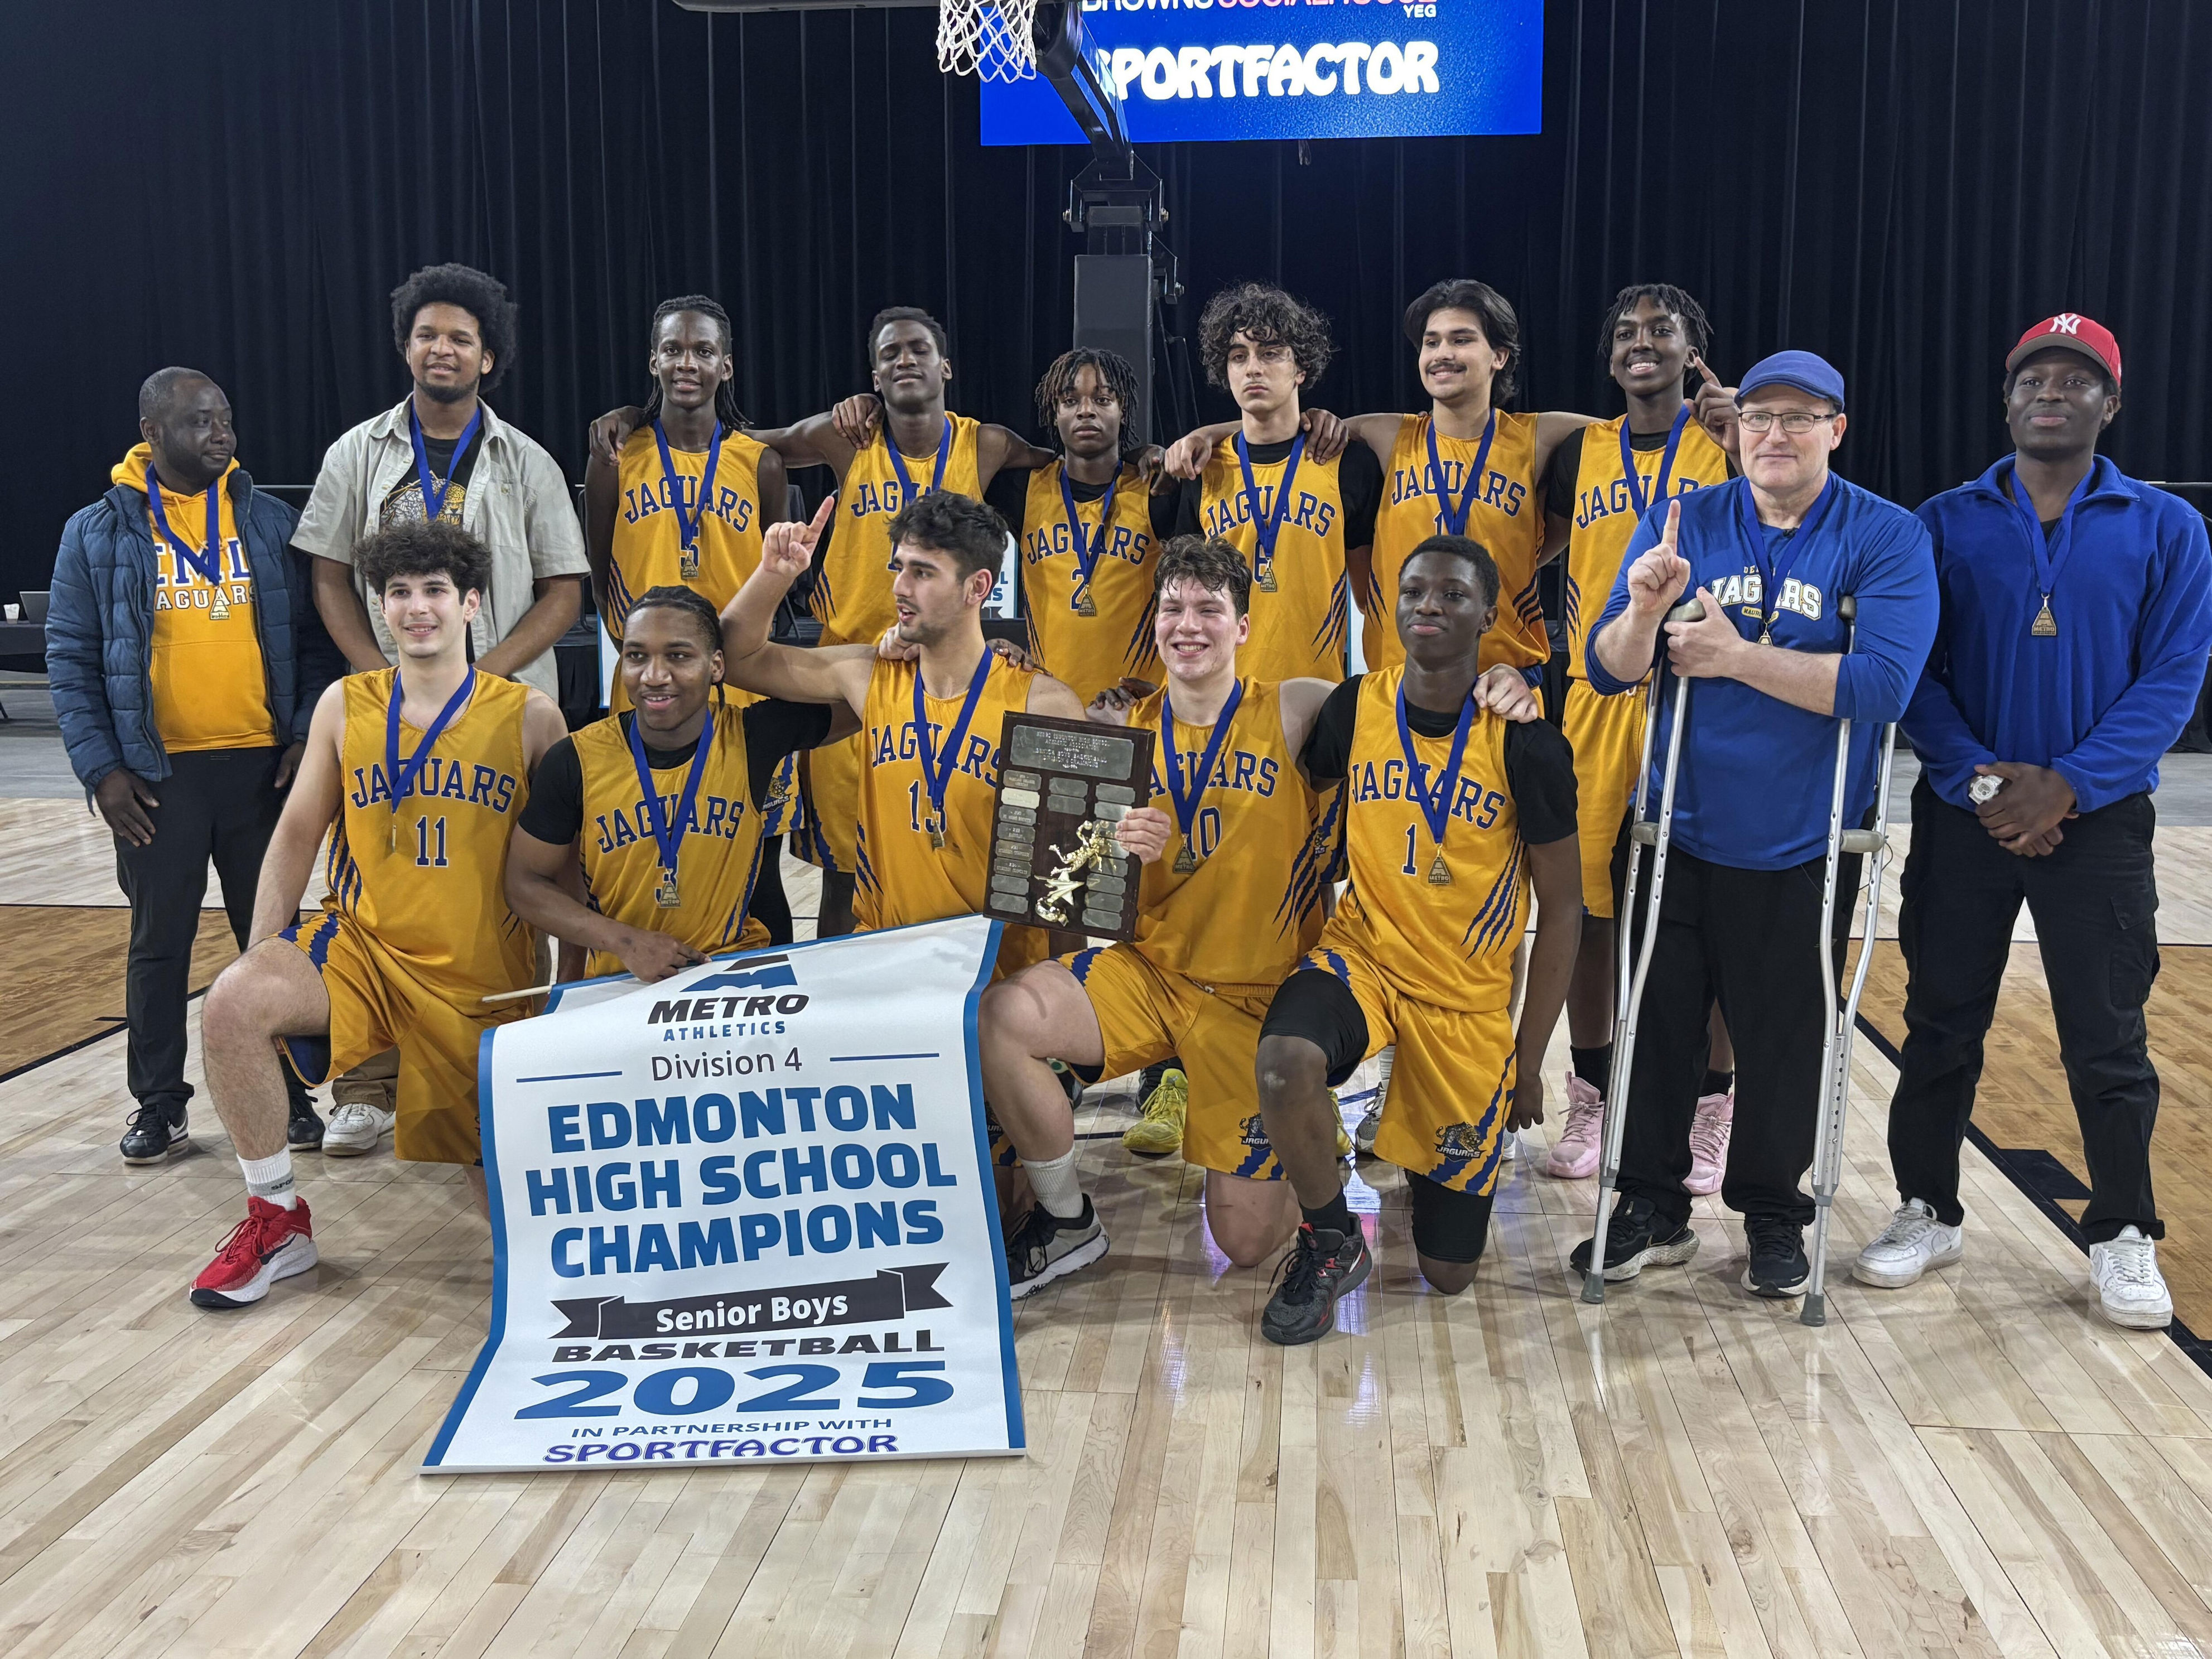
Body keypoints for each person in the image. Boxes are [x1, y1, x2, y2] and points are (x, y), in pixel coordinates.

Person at [1852, 314, 2212, 1329]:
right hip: (1967, 813)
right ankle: (1928, 1204)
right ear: (2007, 399)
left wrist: (2069, 785)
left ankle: (2124, 1230)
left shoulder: (2166, 527)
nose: (2051, 392)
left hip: (2097, 821)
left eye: (2076, 378)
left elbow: (2173, 678)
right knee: (1941, 1018)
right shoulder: (1939, 521)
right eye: (2033, 378)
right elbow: (1911, 668)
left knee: (2107, 1034)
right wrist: (1979, 780)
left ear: (2112, 402)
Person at [1575, 351, 1936, 1299]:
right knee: (1654, 1024)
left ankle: (1774, 1211)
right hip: (1675, 825)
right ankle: (1648, 1206)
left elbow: (1882, 684)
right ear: (1733, 430)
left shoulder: (1885, 536)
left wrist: (1735, 659)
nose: (1774, 434)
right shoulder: (1686, 518)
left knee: (1786, 1035)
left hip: (1803, 840)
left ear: (1836, 429)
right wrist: (1646, 612)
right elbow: (1609, 664)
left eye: (1799, 417)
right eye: (1757, 416)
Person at [184, 519, 566, 1309]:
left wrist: (573, 989)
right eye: (399, 592)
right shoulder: (344, 705)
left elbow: (569, 868)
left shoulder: (531, 717)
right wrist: (261, 953)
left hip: (480, 979)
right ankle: (278, 1221)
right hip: (361, 947)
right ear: (380, 605)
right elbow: (296, 834)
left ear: (470, 604)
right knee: (232, 1002)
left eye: (434, 591)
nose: (416, 608)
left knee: (531, 1249)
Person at [594, 307, 1059, 935]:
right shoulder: (848, 438)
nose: (905, 361)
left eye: (918, 349)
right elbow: (745, 440)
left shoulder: (987, 444)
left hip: (949, 676)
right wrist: (633, 417)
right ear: (872, 374)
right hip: (854, 677)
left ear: (945, 366)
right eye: (890, 352)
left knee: (971, 853)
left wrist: (1147, 456)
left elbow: (1071, 464)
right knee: (843, 871)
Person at [1250, 535, 1580, 1344]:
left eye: (1454, 594)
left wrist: (1527, 1062)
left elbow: (1565, 909)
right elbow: (1283, 748)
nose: (1429, 605)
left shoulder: (1528, 743)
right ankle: (1330, 1237)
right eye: (1414, 591)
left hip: (1465, 1003)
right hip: (1363, 954)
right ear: (1389, 605)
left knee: (1448, 1275)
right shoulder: (1356, 706)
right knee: (1283, 1060)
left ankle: (1420, 1138)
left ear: (1488, 616)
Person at [293, 262, 590, 1154]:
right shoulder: (356, 453)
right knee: (372, 878)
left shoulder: (527, 459)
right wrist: (375, 680)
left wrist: (479, 680)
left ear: (487, 356)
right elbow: (328, 575)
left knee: (515, 881)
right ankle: (368, 1081)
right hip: (389, 717)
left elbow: (564, 591)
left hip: (502, 710)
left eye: (460, 336)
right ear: (406, 346)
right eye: (428, 333)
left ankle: (514, 1051)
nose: (442, 348)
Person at [47, 368, 338, 1166]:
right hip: (154, 778)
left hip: (260, 772)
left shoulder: (272, 522)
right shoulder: (96, 533)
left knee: (272, 938)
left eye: (227, 419)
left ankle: (289, 1093)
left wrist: (306, 735)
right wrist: (101, 769)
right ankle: (160, 1104)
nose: (222, 434)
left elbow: (315, 644)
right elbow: (69, 659)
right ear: (152, 431)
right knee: (159, 944)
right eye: (202, 422)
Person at [1538, 286, 1738, 1188]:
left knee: (1708, 912)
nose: (1642, 342)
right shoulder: (1578, 451)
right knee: (1584, 916)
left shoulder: (1728, 442)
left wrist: (1739, 425)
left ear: (1697, 348)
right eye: (1625, 332)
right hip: (1596, 691)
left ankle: (1712, 1103)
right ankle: (1591, 1091)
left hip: (1698, 696)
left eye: (1662, 329)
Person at [719, 489, 1085, 976]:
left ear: (977, 588)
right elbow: (736, 659)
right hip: (887, 966)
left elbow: (1067, 879)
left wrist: (1065, 988)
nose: (900, 587)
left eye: (923, 572)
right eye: (899, 567)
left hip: (1000, 978)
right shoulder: (867, 675)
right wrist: (774, 575)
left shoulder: (1045, 705)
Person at [584, 293, 804, 943]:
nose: (688, 363)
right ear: (653, 359)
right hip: (650, 686)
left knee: (757, 870)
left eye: (703, 351)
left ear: (726, 367)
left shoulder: (759, 463)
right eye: (674, 349)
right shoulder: (615, 457)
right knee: (645, 852)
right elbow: (602, 574)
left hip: (738, 684)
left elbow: (772, 573)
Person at [504, 585, 852, 981]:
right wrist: (625, 941)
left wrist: (902, 646)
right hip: (622, 980)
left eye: (678, 656)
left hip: (733, 974)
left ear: (717, 666)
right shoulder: (574, 759)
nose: (654, 676)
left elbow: (863, 695)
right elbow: (524, 883)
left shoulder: (754, 735)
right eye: (637, 656)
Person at [1298, 278, 1592, 679]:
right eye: (1431, 342)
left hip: (1503, 680)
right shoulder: (1387, 435)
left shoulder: (1537, 436)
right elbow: (1276, 429)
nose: (1442, 354)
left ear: (1499, 357)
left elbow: (1638, 432)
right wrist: (1206, 435)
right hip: (1396, 681)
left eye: (1461, 340)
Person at [1161, 282, 1382, 683]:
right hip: (1221, 693)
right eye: (1237, 357)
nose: (1253, 368)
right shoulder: (1204, 468)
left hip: (1316, 692)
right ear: (1224, 371)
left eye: (1270, 353)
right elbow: (1186, 597)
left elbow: (1370, 599)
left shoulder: (1348, 464)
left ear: (1301, 368)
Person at [991, 346, 1179, 703]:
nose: (1086, 410)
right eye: (1070, 400)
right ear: (1055, 412)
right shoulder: (1023, 490)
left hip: (1134, 710)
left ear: (1123, 412)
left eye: (1103, 399)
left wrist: (1150, 454)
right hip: (1049, 706)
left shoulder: (1156, 491)